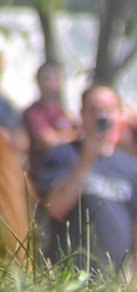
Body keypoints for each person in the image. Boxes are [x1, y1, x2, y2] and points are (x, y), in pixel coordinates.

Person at [37, 84, 137, 274]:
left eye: (109, 110)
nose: (103, 116)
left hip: (113, 279)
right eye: (95, 110)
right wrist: (86, 161)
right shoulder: (64, 154)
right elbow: (55, 208)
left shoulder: (130, 166)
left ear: (119, 115)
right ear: (82, 114)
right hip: (67, 276)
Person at [25, 61, 81, 181]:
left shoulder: (64, 111)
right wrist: (70, 135)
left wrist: (62, 136)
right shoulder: (33, 112)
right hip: (41, 175)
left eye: (55, 79)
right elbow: (48, 142)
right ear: (38, 82)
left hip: (64, 175)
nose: (51, 83)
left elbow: (81, 136)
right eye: (47, 79)